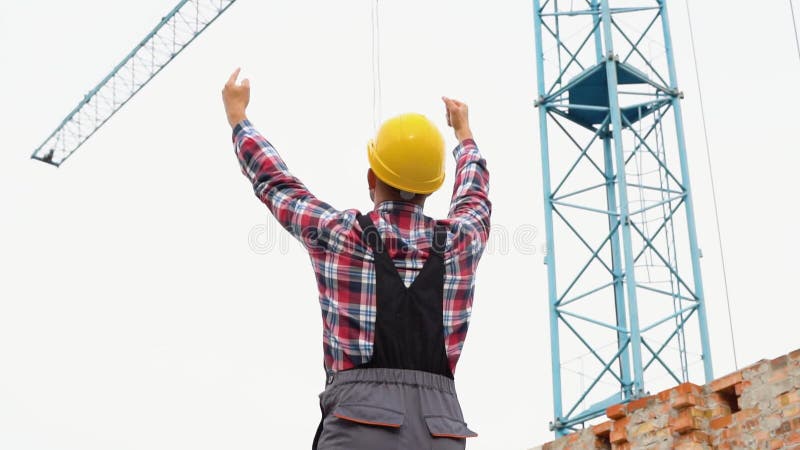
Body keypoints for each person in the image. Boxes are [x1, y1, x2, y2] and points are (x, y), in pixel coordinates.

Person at [222, 68, 491, 449]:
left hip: (360, 425)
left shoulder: (342, 236)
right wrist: (464, 134)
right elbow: (475, 198)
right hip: (441, 431)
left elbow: (276, 183)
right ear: (433, 186)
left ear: (371, 177)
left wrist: (238, 117)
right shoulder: (461, 243)